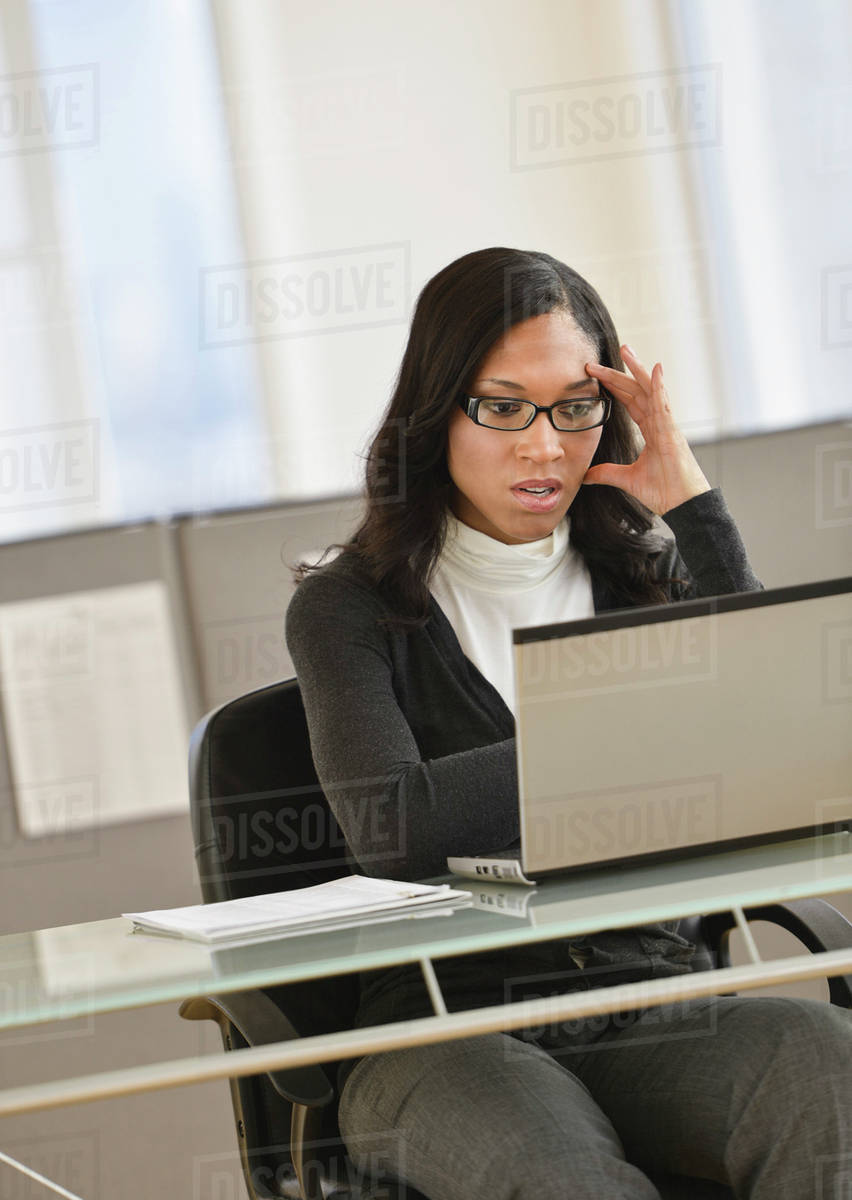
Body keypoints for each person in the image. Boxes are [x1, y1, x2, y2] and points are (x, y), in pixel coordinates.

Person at [285, 248, 852, 1200]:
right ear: (437, 413)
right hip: (443, 1032)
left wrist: (693, 508)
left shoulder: (644, 579)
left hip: (644, 999)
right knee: (560, 1174)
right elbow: (393, 825)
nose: (545, 445)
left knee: (824, 1073)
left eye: (575, 406)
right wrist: (624, 726)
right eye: (502, 406)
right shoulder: (348, 608)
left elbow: (773, 747)